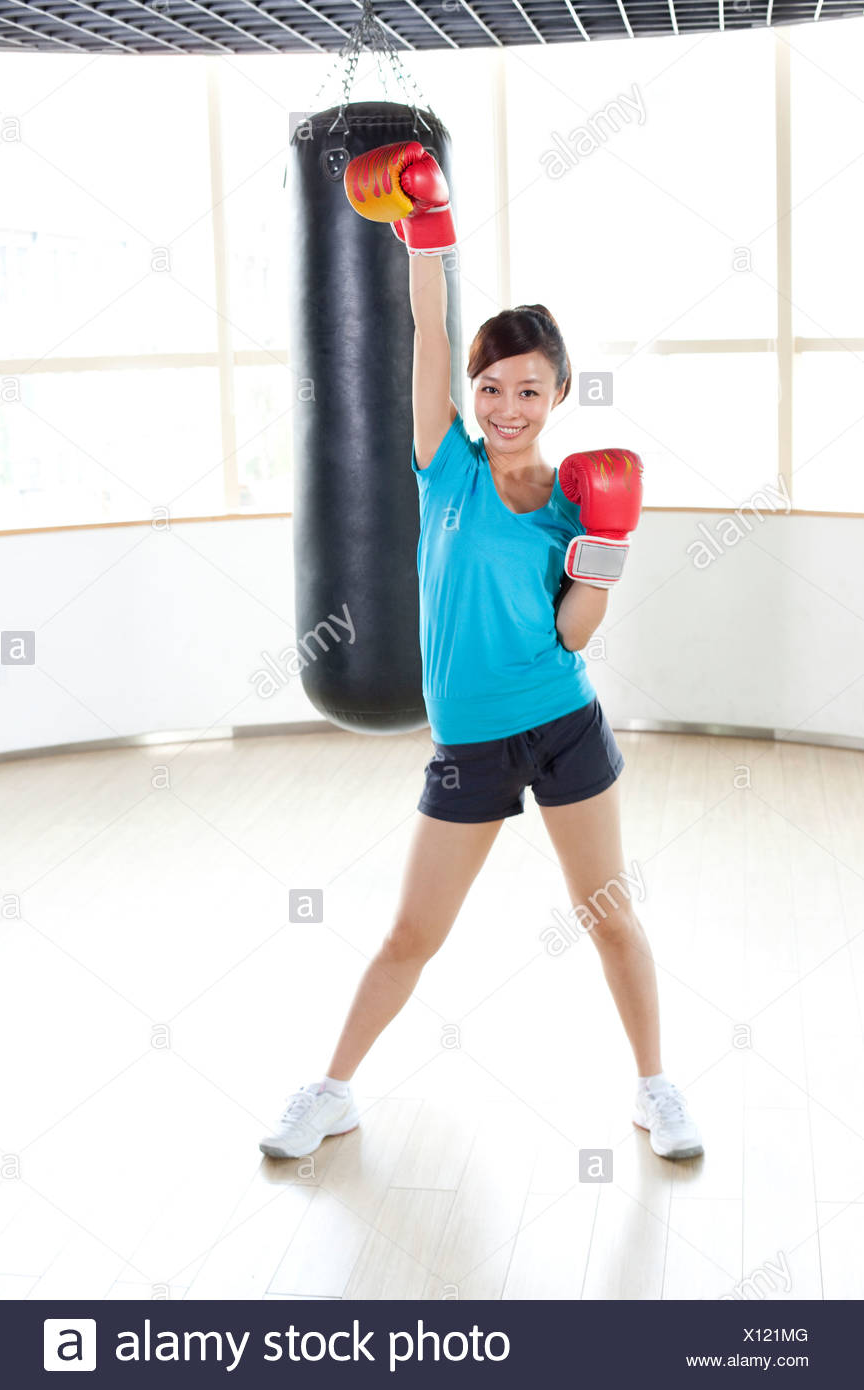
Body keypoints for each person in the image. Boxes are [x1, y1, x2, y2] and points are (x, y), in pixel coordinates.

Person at [260, 141, 703, 1164]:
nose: (507, 408)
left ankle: (655, 1086)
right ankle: (329, 1091)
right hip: (469, 748)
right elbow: (426, 332)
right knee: (410, 935)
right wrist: (427, 226)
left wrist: (601, 558)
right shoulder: (445, 467)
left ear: (557, 396)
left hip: (560, 724)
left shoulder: (571, 502)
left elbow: (572, 636)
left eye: (528, 392)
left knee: (607, 916)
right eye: (493, 388)